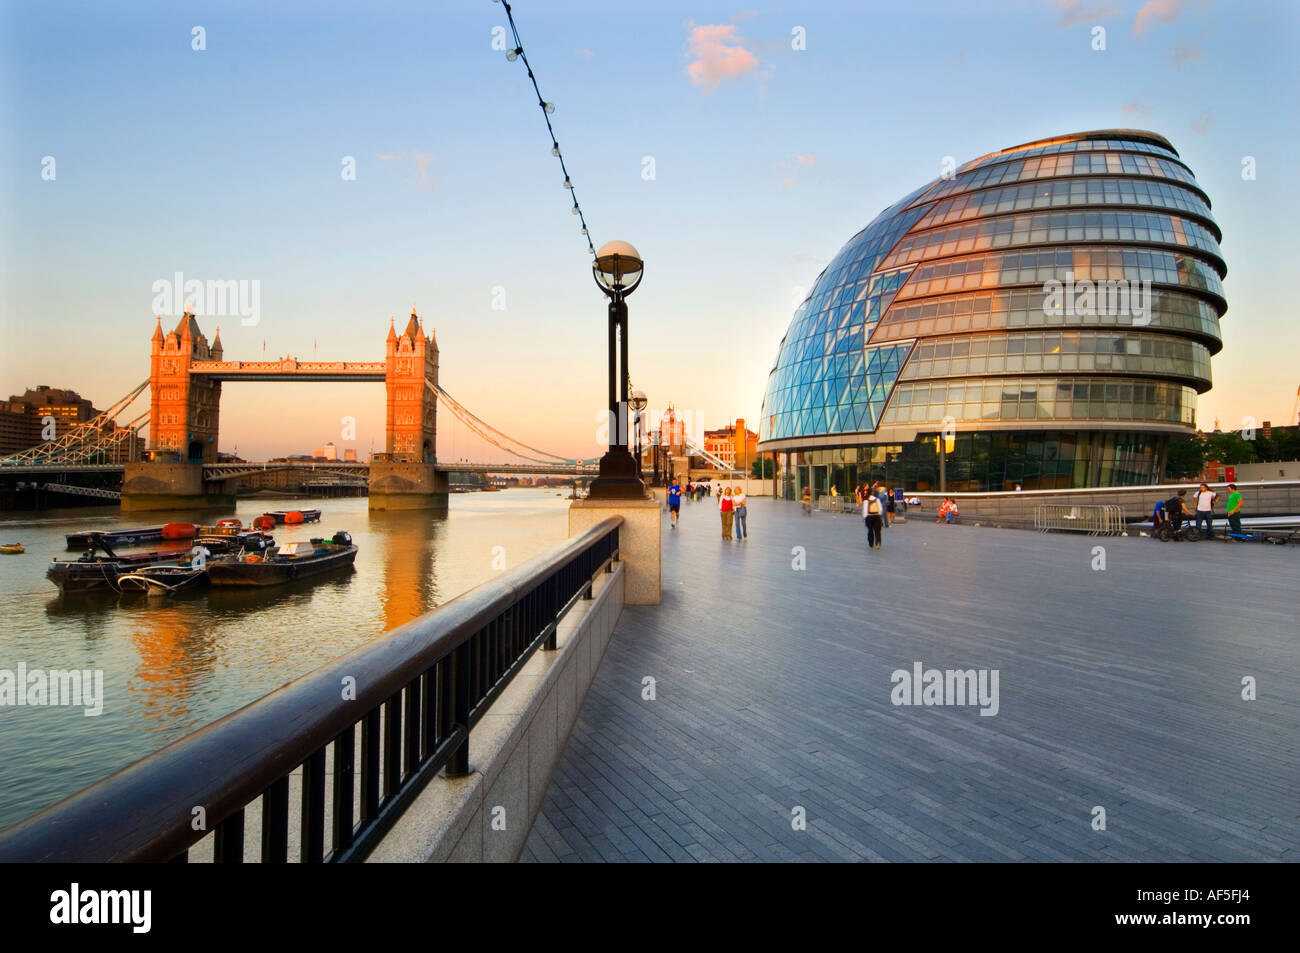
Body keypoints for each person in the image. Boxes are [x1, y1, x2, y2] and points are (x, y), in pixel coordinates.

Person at [864, 483, 884, 549]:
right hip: (877, 516)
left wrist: (865, 518)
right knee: (877, 531)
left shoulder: (866, 501)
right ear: (872, 493)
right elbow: (880, 509)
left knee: (870, 530)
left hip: (869, 516)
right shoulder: (877, 499)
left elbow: (865, 511)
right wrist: (879, 515)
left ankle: (871, 543)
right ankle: (878, 542)